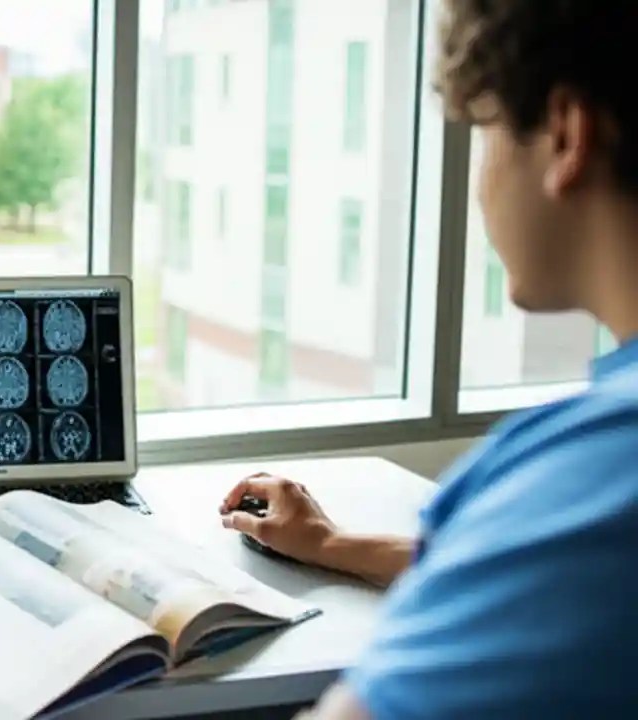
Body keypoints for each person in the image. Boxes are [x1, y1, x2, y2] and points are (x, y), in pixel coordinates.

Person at [219, 2, 638, 718]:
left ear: (566, 136)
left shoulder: (597, 470)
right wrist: (331, 542)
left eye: (483, 134)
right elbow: (552, 582)